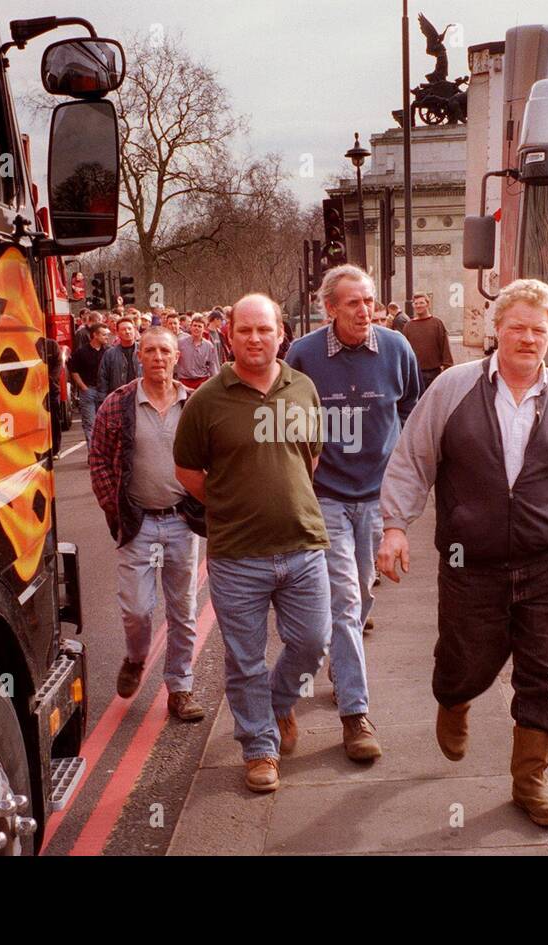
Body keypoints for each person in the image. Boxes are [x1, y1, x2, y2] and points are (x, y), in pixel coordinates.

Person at [377, 277, 548, 827]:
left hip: (546, 565)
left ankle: (531, 780)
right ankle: (454, 698)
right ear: (497, 330)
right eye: (517, 328)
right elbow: (413, 458)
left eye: (539, 330)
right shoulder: (453, 388)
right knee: (468, 661)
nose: (527, 339)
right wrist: (394, 526)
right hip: (471, 567)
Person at [173, 293, 331, 794]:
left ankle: (277, 701)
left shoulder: (303, 388)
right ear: (229, 335)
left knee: (313, 642)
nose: (256, 338)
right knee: (244, 659)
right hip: (237, 556)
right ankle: (259, 748)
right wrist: (231, 503)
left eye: (265, 329)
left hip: (303, 544)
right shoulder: (206, 401)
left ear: (281, 332)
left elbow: (311, 458)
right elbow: (187, 471)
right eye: (245, 330)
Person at [286, 265, 420, 762]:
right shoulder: (303, 355)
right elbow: (290, 415)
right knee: (344, 599)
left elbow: (410, 406)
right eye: (354, 303)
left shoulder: (396, 349)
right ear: (330, 309)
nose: (365, 311)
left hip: (378, 496)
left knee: (362, 592)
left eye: (370, 301)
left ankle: (342, 671)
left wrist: (397, 458)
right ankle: (355, 715)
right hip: (326, 494)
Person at [89, 328, 208, 721]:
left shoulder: (194, 404)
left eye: (166, 351)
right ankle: (137, 658)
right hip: (138, 524)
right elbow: (99, 459)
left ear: (177, 357)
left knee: (183, 610)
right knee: (138, 609)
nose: (159, 357)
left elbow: (215, 459)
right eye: (151, 350)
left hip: (181, 522)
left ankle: (180, 687)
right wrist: (115, 508)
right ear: (139, 356)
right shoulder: (117, 403)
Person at [401, 292, 454, 396]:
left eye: (421, 303)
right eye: (416, 303)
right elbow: (404, 350)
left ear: (428, 304)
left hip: (434, 373)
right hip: (415, 373)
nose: (418, 305)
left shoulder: (437, 323)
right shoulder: (408, 326)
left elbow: (445, 346)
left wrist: (447, 367)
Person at [69, 323, 110, 450]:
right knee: (90, 424)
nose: (106, 337)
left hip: (104, 391)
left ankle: (103, 452)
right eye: (104, 334)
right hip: (88, 391)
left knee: (105, 424)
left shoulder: (108, 351)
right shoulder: (82, 352)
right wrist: (83, 387)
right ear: (95, 335)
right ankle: (93, 454)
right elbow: (73, 369)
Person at [97, 316, 140, 398]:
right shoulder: (110, 354)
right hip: (119, 397)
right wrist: (102, 399)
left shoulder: (144, 350)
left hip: (140, 395)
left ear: (134, 330)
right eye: (124, 329)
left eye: (130, 328)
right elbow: (103, 378)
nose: (127, 332)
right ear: (117, 332)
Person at [177, 316, 221, 389]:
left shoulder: (209, 346)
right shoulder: (180, 343)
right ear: (190, 327)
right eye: (194, 325)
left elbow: (213, 366)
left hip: (202, 382)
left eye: (199, 326)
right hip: (184, 382)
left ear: (204, 329)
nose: (196, 328)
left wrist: (216, 384)